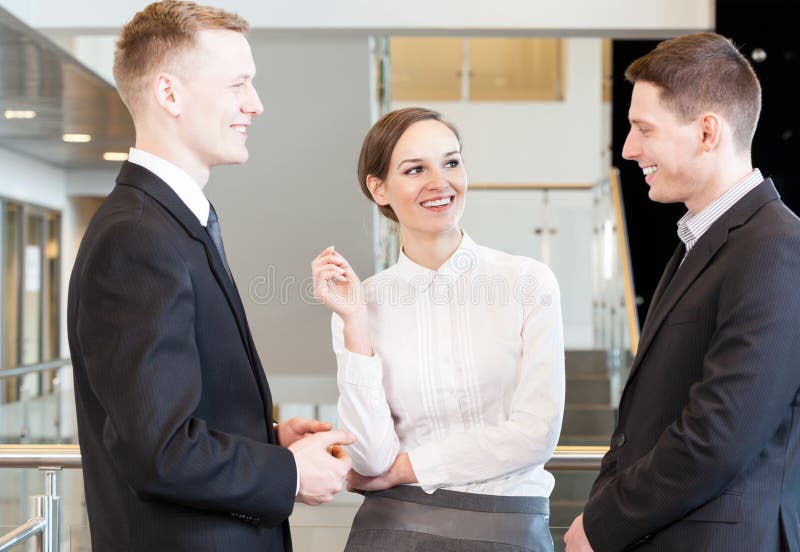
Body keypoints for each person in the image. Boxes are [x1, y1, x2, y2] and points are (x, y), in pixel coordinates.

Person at [67, 2, 354, 550]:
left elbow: (163, 414)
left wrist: (267, 441)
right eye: (238, 84)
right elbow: (158, 449)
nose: (256, 104)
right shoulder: (138, 237)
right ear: (169, 94)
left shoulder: (166, 222)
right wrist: (289, 473)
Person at [564, 32, 800, 552]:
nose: (629, 149)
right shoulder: (702, 242)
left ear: (707, 131)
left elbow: (720, 434)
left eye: (644, 129)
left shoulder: (776, 247)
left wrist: (604, 523)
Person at [311, 107, 565, 551]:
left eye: (451, 162)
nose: (440, 182)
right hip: (394, 531)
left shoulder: (527, 282)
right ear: (379, 188)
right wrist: (355, 322)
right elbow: (370, 458)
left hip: (506, 528)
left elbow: (534, 435)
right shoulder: (363, 303)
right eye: (415, 169)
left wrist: (405, 468)